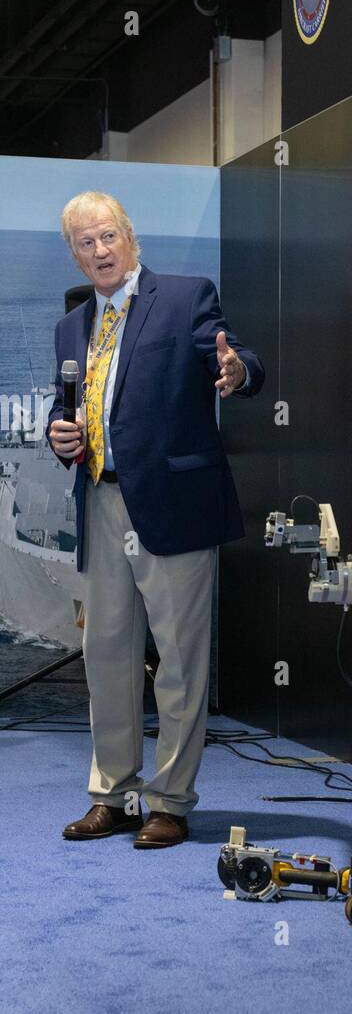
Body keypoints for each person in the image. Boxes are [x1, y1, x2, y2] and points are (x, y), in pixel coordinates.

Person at [46, 191, 264, 848]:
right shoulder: (71, 326)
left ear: (130, 236)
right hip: (102, 501)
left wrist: (235, 371)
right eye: (85, 243)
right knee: (106, 655)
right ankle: (112, 795)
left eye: (107, 236)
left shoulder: (187, 295)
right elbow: (69, 414)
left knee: (178, 660)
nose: (99, 251)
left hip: (171, 505)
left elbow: (234, 360)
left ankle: (169, 800)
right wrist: (60, 437)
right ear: (75, 254)